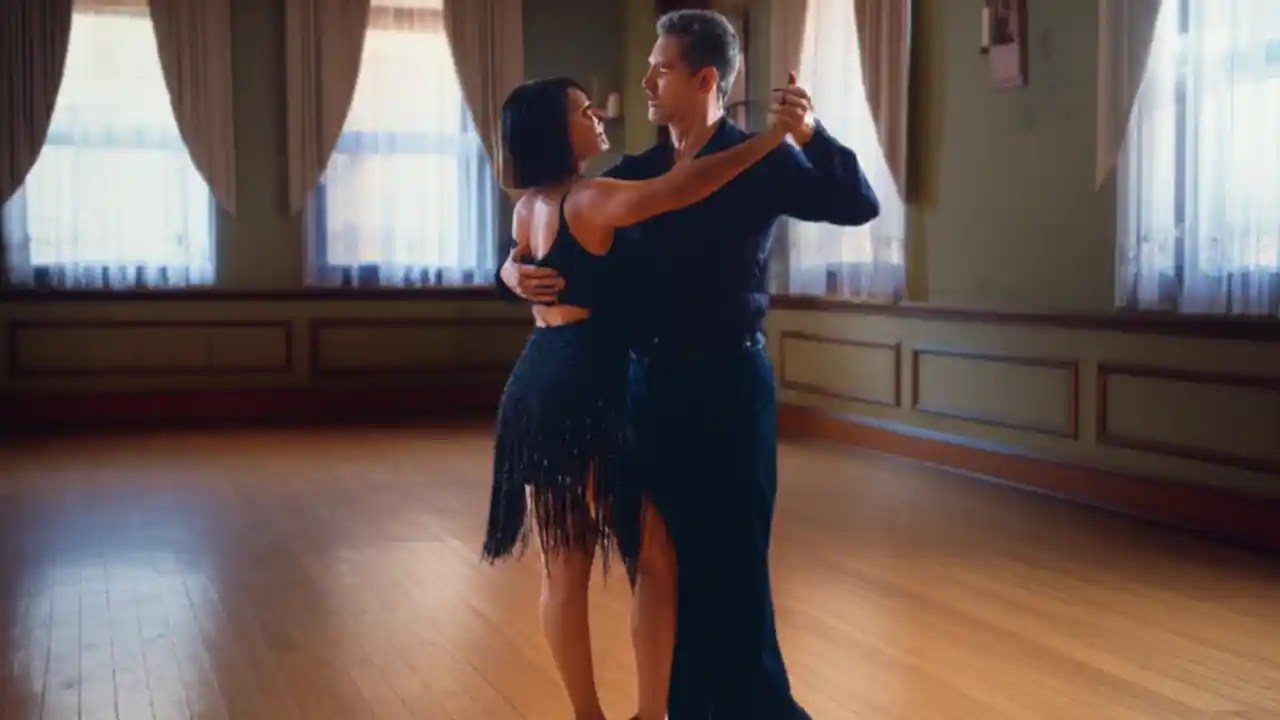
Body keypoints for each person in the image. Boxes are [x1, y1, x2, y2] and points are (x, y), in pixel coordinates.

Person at [496, 10, 880, 720]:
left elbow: (857, 204)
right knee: (660, 565)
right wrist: (513, 274)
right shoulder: (634, 172)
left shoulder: (762, 161)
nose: (645, 80)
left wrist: (808, 136)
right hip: (641, 391)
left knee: (732, 563)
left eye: (661, 68)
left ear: (705, 79)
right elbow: (566, 239)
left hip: (729, 386)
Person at [482, 75, 801, 720]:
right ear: (554, 130)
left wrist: (509, 271)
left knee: (563, 572)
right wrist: (770, 140)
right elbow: (682, 187)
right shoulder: (592, 198)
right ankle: (649, 716)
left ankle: (588, 717)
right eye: (581, 110)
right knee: (654, 557)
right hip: (588, 387)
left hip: (536, 384)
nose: (597, 114)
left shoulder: (527, 206)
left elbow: (520, 262)